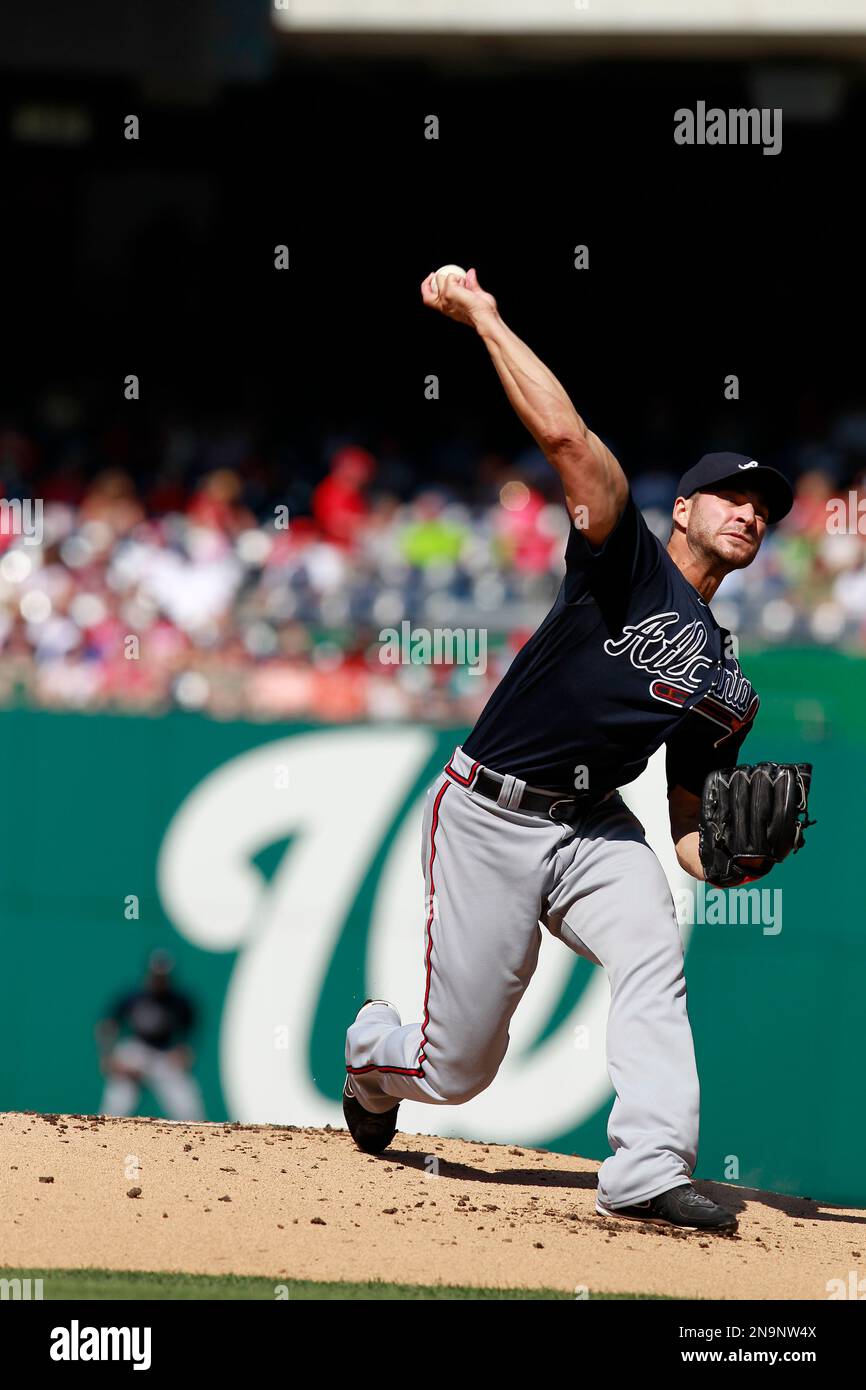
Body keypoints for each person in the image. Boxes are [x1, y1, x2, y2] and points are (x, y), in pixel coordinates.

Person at [342, 267, 801, 1236]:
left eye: (763, 506)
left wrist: (729, 859)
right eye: (730, 495)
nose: (750, 511)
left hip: (592, 826)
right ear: (681, 509)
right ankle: (370, 1057)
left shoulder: (726, 683)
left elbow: (687, 832)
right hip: (489, 811)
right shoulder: (622, 562)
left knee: (649, 952)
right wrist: (482, 314)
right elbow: (563, 440)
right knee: (456, 1069)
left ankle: (643, 1167)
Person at [96, 949, 204, 1121]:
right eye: (156, 975)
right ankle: (102, 1129)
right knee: (117, 1102)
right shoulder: (134, 997)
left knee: (188, 1110)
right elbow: (107, 1026)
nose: (159, 980)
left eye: (163, 976)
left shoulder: (179, 1001)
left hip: (164, 1054)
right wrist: (108, 1056)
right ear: (149, 973)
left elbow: (190, 1034)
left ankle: (202, 1139)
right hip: (137, 1051)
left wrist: (184, 1053)